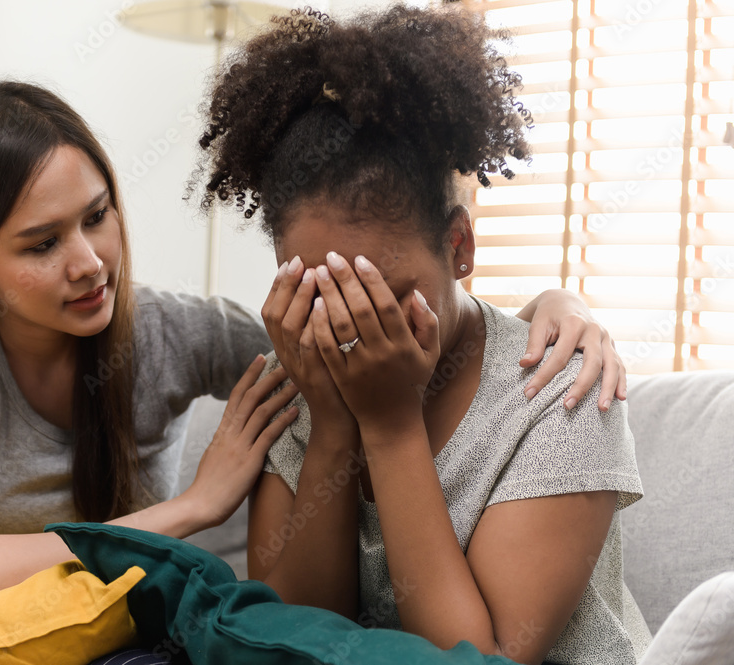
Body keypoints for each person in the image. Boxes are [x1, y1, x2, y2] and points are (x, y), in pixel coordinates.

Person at [0, 80, 624, 627]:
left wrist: (555, 306)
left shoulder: (171, 329)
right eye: (41, 243)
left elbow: (420, 332)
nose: (90, 262)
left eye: (98, 215)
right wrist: (193, 509)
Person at [195, 5, 651, 665]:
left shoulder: (561, 394)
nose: (352, 325)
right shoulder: (300, 381)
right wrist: (331, 425)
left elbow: (482, 656)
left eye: (384, 291)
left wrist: (389, 424)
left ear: (459, 246)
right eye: (322, 291)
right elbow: (291, 637)